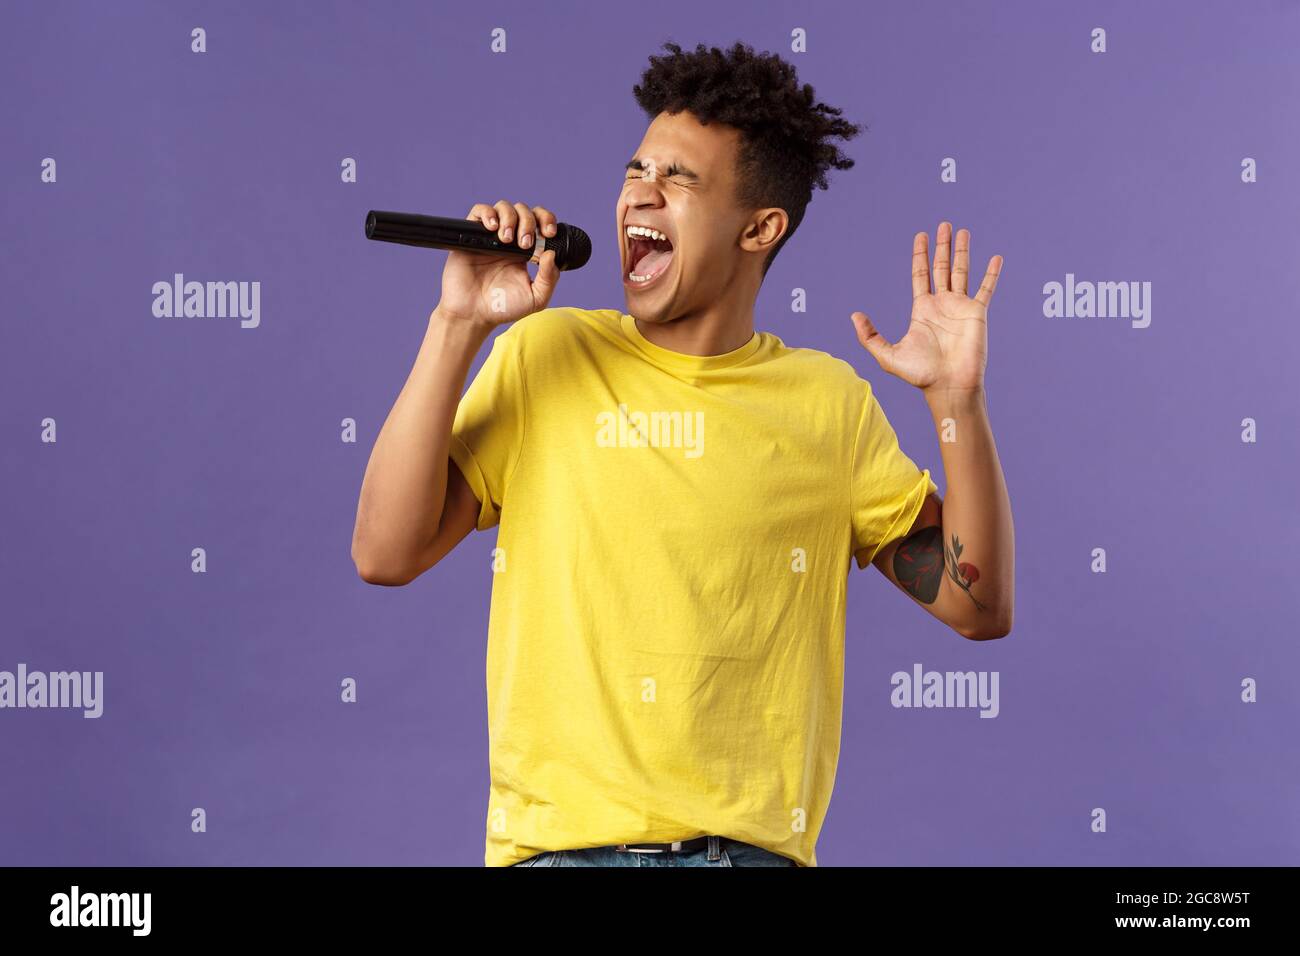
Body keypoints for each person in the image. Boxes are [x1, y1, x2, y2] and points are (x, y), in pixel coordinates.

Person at [351, 40, 1014, 868]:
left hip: (746, 857)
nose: (640, 193)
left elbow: (977, 607)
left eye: (679, 180)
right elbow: (383, 553)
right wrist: (459, 324)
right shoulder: (548, 354)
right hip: (560, 854)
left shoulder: (827, 403)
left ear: (760, 227)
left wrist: (955, 403)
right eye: (637, 170)